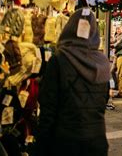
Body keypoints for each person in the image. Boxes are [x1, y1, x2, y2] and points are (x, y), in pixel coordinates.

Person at [35, 9, 110, 156]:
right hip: (97, 139)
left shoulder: (60, 59)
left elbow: (48, 107)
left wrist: (41, 145)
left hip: (65, 141)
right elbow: (103, 102)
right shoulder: (103, 63)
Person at [110, 26, 122, 90]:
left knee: (120, 73)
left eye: (119, 29)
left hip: (120, 55)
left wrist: (112, 45)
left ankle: (119, 86)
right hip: (116, 55)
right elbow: (113, 42)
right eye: (117, 29)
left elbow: (117, 44)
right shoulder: (116, 36)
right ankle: (117, 85)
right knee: (112, 71)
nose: (118, 31)